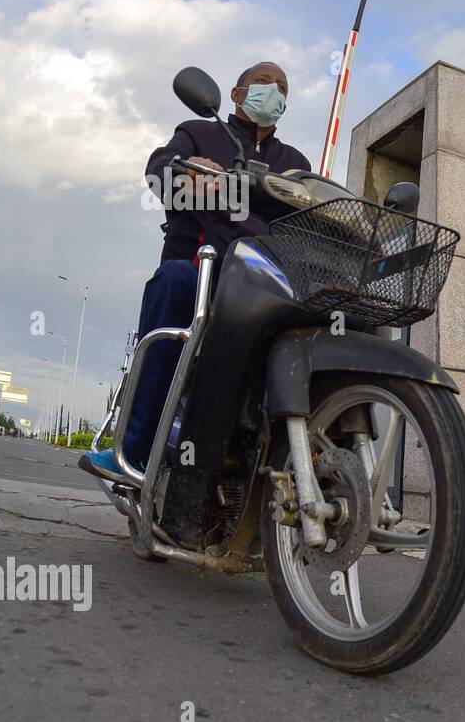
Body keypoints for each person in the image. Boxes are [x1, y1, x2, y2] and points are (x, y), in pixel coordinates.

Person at [81, 62, 310, 480]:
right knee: (173, 282)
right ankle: (132, 452)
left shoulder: (293, 162)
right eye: (263, 83)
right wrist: (184, 173)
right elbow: (159, 173)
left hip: (264, 282)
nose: (274, 90)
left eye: (282, 87)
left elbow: (310, 216)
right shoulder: (199, 132)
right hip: (202, 271)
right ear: (236, 93)